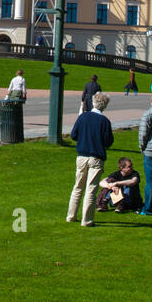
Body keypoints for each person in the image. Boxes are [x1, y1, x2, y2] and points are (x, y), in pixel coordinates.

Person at [67, 92, 114, 227]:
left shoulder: (83, 117)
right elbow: (108, 141)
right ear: (104, 105)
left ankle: (71, 215)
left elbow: (74, 135)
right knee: (90, 189)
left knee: (78, 187)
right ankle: (86, 220)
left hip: (82, 156)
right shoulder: (104, 121)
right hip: (96, 157)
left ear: (93, 102)